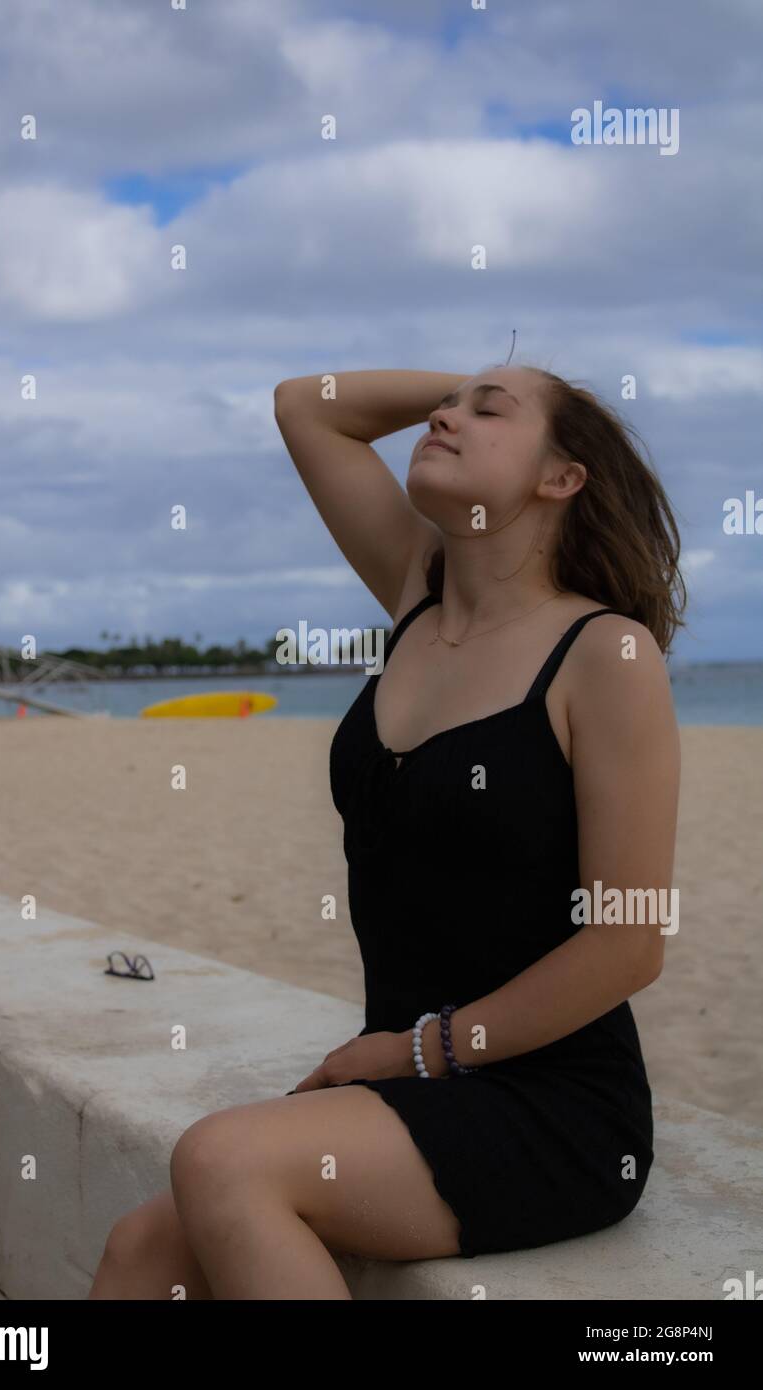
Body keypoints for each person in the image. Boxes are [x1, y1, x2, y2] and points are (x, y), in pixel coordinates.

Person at [88, 363, 683, 1299]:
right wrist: (485, 387)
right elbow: (307, 408)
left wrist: (420, 1050)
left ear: (563, 478)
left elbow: (629, 942)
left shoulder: (605, 654)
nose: (444, 415)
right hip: (406, 1083)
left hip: (550, 1100)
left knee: (221, 1159)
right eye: (447, 405)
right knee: (139, 1254)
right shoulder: (418, 597)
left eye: (488, 413)